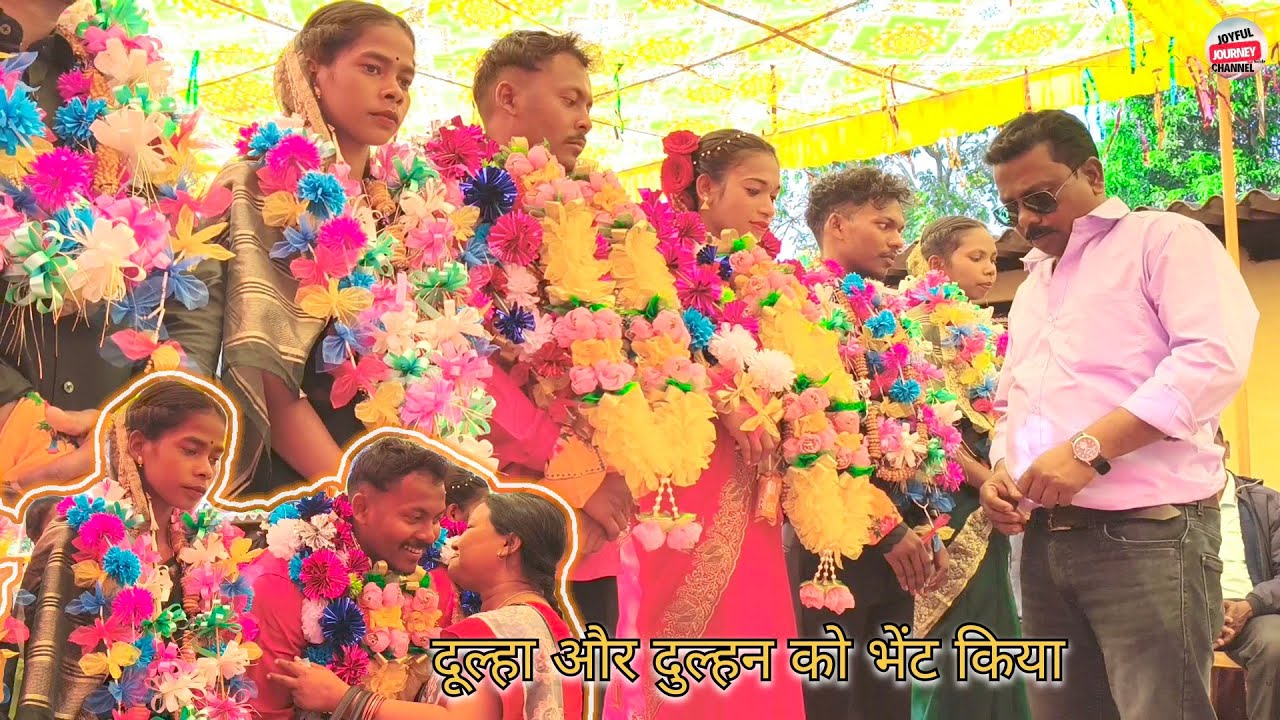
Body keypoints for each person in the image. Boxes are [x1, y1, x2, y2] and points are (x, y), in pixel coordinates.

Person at [978, 109, 1258, 719]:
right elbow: (1011, 401)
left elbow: (1211, 360)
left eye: (1040, 198)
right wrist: (1003, 466)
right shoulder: (1032, 286)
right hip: (1042, 541)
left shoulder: (1162, 240)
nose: (1026, 221)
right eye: (1011, 208)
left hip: (1148, 534)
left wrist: (1087, 449)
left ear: (1094, 175)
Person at [0, 0, 225, 490]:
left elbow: (191, 268)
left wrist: (143, 415)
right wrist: (14, 417)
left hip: (111, 463)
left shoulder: (121, 74)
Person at [626, 128, 802, 720]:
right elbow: (649, 343)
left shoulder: (760, 278)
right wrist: (727, 396)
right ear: (704, 187)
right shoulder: (656, 255)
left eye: (774, 195)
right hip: (686, 463)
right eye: (755, 189)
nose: (767, 207)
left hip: (754, 473)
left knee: (757, 622)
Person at [472, 29, 633, 649]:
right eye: (571, 100)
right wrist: (578, 478)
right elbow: (459, 367)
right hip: (503, 517)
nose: (586, 120)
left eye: (588, 105)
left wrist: (612, 477)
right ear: (509, 97)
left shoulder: (598, 213)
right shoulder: (446, 203)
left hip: (598, 522)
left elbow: (635, 359)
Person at [219, 1, 417, 494]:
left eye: (406, 79)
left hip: (402, 489)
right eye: (372, 67)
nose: (393, 89)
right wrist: (351, 497)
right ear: (313, 71)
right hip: (304, 489)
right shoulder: (261, 184)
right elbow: (264, 369)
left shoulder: (404, 210)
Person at [15, 376, 259, 720]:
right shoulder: (82, 535)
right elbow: (53, 680)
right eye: (191, 450)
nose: (206, 470)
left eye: (214, 457)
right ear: (138, 446)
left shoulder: (203, 549)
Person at [799, 166, 945, 720]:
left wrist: (922, 520)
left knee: (887, 702)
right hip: (833, 537)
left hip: (900, 535)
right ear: (837, 224)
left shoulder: (882, 309)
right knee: (833, 703)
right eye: (883, 224)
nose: (897, 240)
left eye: (900, 227)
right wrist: (886, 528)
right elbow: (810, 432)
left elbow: (914, 426)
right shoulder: (800, 304)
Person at [267, 490, 583, 720]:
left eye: (472, 528)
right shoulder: (550, 629)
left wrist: (343, 698)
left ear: (509, 544)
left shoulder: (491, 630)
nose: (455, 541)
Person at [904, 218, 1030, 720]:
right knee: (954, 641)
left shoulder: (985, 330)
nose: (989, 269)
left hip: (989, 502)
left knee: (993, 631)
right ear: (937, 266)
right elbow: (929, 424)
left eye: (993, 259)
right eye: (975, 258)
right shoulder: (911, 330)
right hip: (943, 504)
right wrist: (989, 480)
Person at [246, 434, 453, 719]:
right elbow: (264, 712)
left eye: (436, 519)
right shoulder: (285, 580)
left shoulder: (410, 574)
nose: (431, 534)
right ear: (361, 509)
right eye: (414, 518)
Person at [1214, 429, 1280, 720]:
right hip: (1182, 612)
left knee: (1275, 643)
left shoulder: (1265, 504)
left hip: (1251, 611)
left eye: (1209, 444)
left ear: (1226, 448)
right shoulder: (1164, 508)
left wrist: (1250, 604)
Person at [472, 30, 593, 172]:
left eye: (588, 109)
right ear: (509, 99)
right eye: (569, 100)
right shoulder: (443, 188)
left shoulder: (590, 192)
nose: (587, 124)